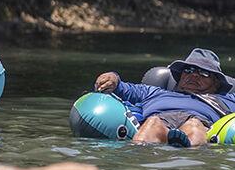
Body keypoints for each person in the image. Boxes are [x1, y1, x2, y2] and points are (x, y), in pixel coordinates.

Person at [94, 48, 235, 147]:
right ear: (180, 76)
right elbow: (122, 87)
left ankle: (189, 159)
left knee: (194, 126)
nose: (194, 75)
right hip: (161, 120)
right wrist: (112, 78)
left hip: (200, 123)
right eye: (189, 70)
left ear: (216, 83)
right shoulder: (154, 92)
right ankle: (140, 163)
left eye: (204, 73)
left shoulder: (226, 99)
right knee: (153, 122)